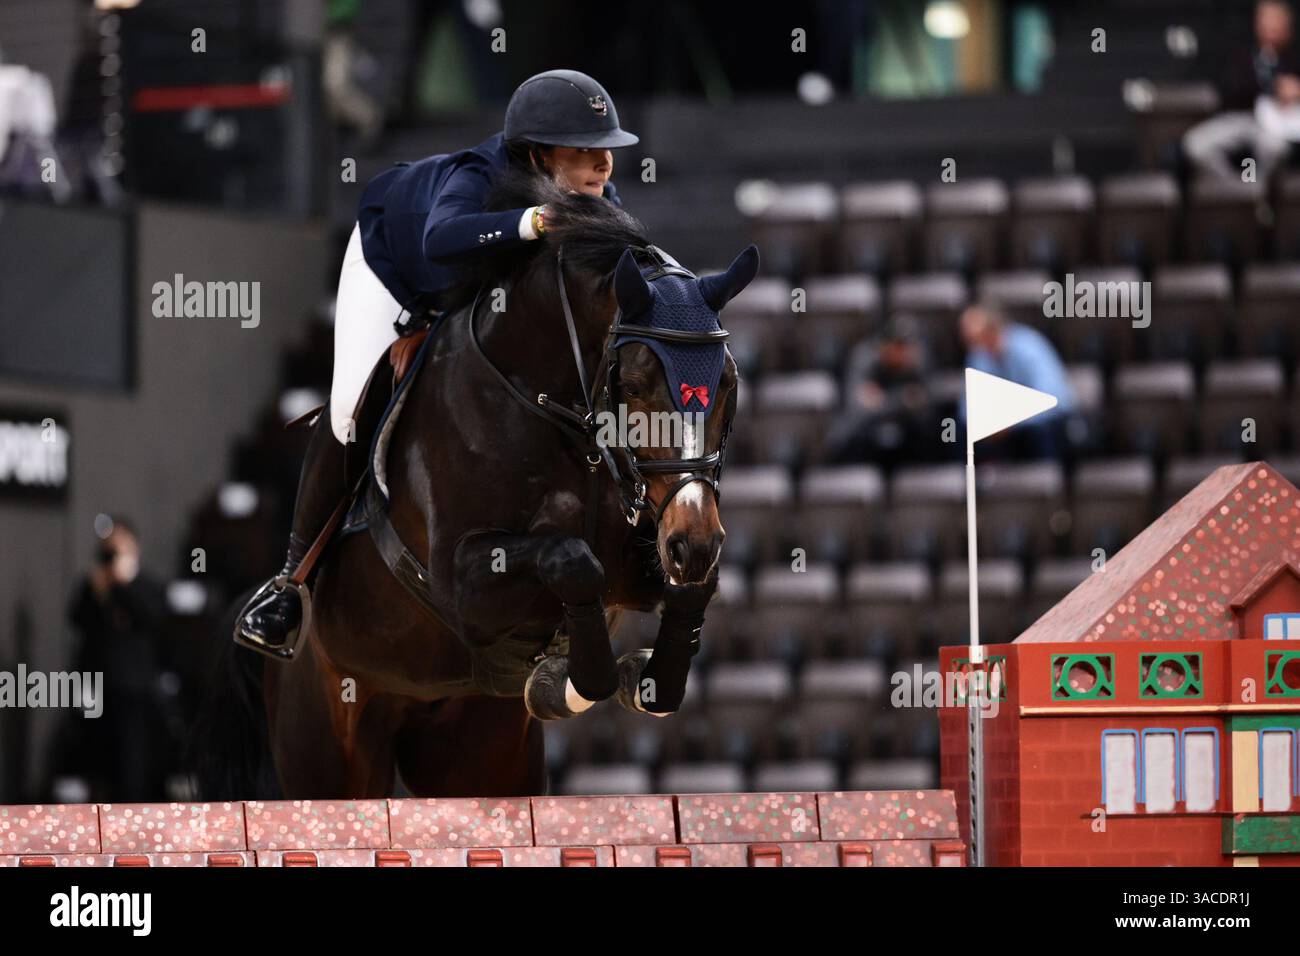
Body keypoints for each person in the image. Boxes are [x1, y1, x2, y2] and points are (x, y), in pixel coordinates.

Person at [235, 69, 640, 658]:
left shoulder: (593, 196)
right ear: (537, 153)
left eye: (606, 151)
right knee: (350, 406)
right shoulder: (477, 176)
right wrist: (530, 223)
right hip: (396, 271)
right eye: (585, 150)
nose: (603, 166)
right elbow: (440, 240)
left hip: (471, 295)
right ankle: (291, 585)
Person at [63, 516, 168, 800]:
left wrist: (123, 585)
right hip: (94, 687)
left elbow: (153, 619)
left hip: (132, 690)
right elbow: (76, 619)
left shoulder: (147, 585)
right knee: (94, 764)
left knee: (130, 767)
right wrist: (100, 591)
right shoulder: (95, 585)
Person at [1183, 1, 1300, 188]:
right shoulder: (1242, 53)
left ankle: (1258, 194)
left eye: (1276, 19)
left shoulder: (1293, 58)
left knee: (1274, 149)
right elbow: (1229, 89)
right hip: (1240, 117)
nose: (1270, 25)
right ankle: (1238, 191)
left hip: (1276, 125)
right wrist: (1272, 87)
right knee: (1197, 146)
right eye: (1265, 19)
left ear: (1288, 26)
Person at [958, 303, 1075, 461]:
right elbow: (967, 407)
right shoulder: (978, 355)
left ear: (992, 329)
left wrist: (1012, 422)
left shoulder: (1029, 345)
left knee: (1042, 431)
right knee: (963, 432)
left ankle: (1045, 481)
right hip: (1001, 430)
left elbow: (1055, 398)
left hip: (1038, 424)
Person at [825, 315, 937, 467]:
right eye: (897, 345)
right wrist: (903, 400)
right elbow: (858, 410)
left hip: (908, 439)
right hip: (863, 437)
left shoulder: (918, 363)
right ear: (884, 345)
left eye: (906, 346)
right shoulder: (864, 358)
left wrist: (883, 401)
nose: (902, 351)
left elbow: (926, 412)